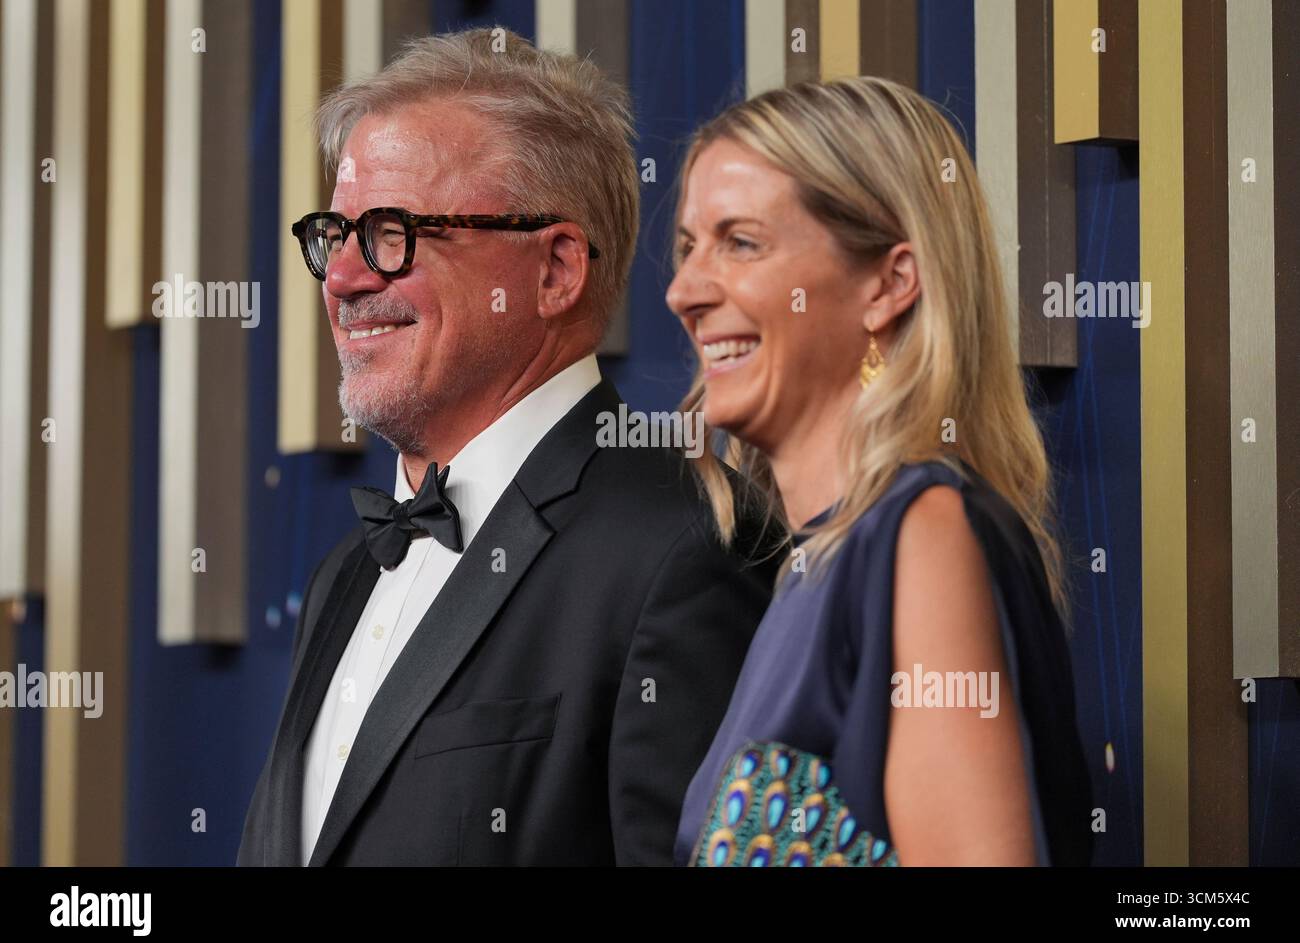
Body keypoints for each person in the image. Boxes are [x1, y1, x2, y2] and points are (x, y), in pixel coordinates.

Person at [238, 29, 780, 866]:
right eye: (332, 236)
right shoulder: (345, 572)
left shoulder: (683, 544)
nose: (342, 278)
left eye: (391, 233)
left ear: (556, 268)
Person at [668, 77, 1093, 866]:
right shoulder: (815, 564)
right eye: (691, 246)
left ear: (890, 283)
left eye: (742, 242)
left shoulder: (921, 534)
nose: (683, 291)